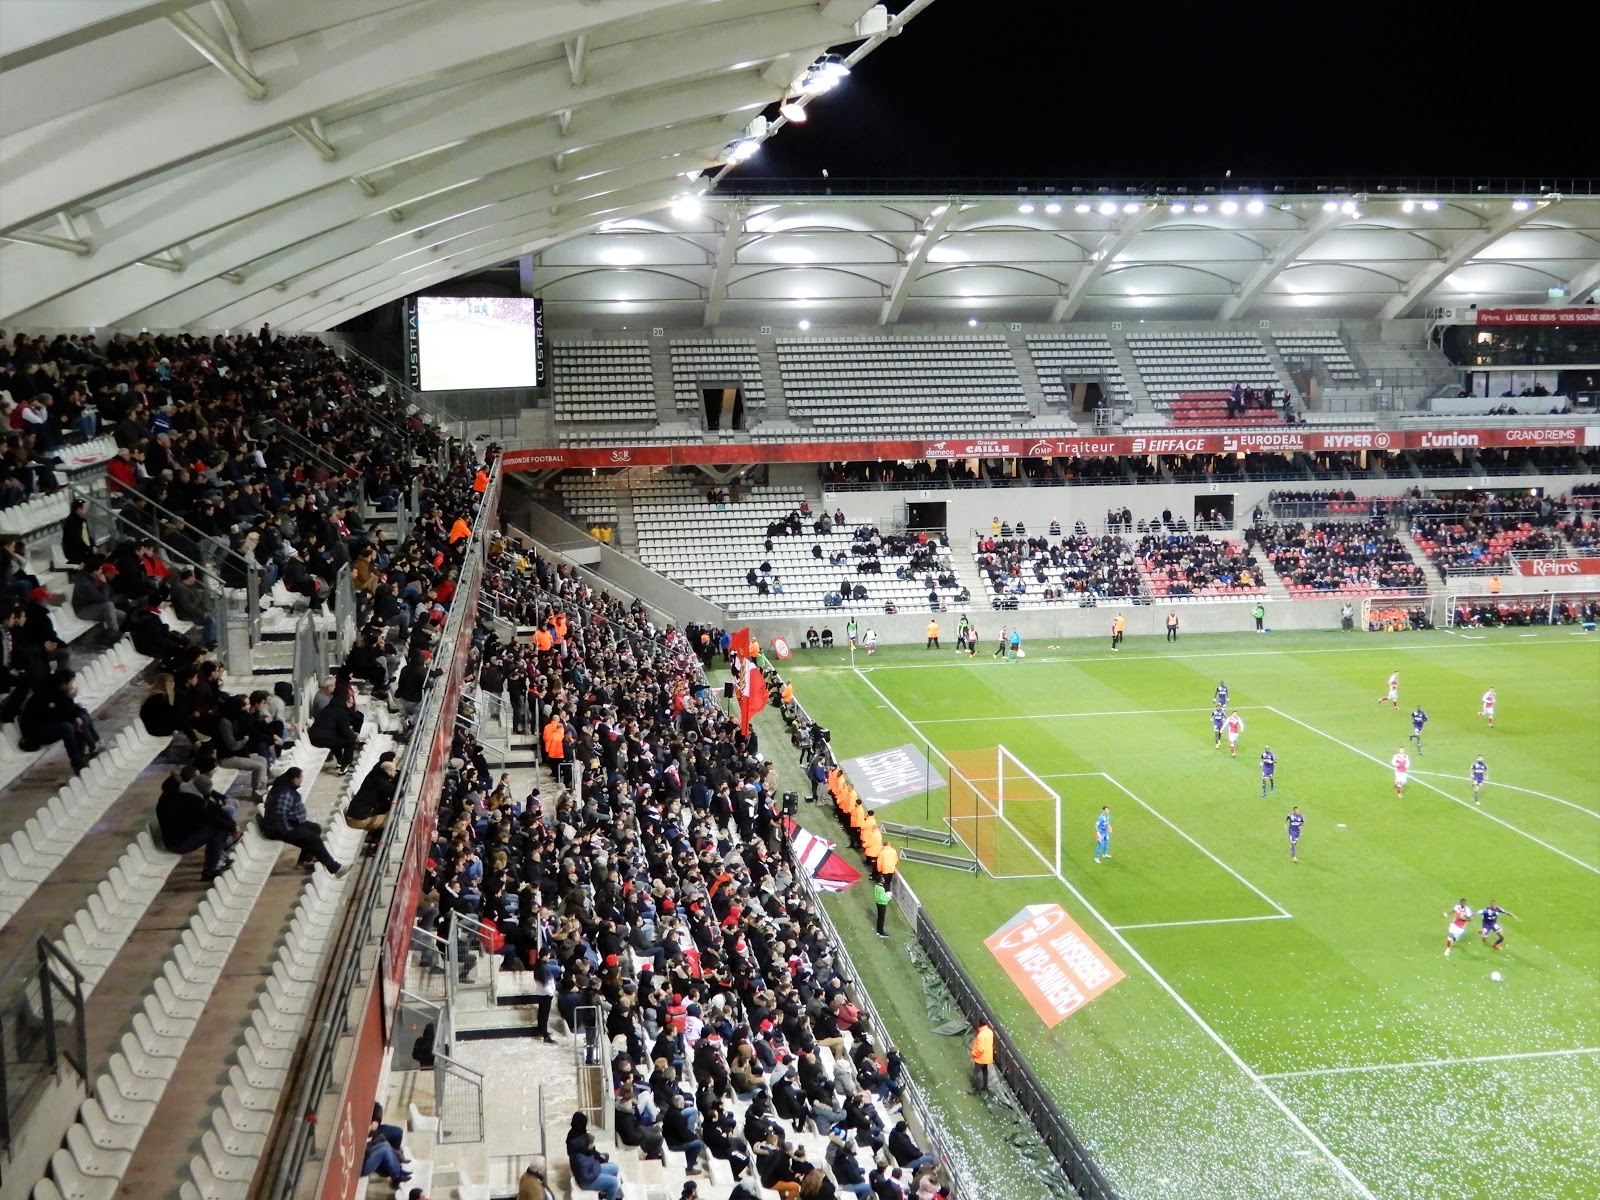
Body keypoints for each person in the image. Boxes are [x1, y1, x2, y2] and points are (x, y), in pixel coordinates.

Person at [156, 768, 240, 881]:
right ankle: (211, 869)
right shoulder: (192, 801)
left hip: (176, 833)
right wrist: (232, 827)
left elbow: (213, 808)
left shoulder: (183, 791)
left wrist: (232, 826)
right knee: (217, 828)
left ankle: (219, 855)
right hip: (176, 842)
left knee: (220, 824)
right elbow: (209, 816)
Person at [261, 767, 347, 876]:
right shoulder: (285, 793)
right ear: (294, 779)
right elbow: (279, 815)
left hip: (289, 822)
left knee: (315, 828)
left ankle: (304, 861)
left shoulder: (285, 787)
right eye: (301, 778)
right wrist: (289, 831)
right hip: (278, 829)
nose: (302, 780)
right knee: (313, 839)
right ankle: (335, 868)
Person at [19, 669, 101, 772]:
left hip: (50, 725)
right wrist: (69, 700)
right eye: (69, 682)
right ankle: (77, 762)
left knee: (81, 715)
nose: (71, 685)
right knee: (67, 727)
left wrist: (75, 712)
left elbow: (71, 711)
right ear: (62, 684)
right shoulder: (44, 696)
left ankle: (86, 751)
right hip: (36, 733)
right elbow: (55, 717)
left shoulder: (59, 693)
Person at [346, 751, 399, 830]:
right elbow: (398, 792)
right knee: (393, 818)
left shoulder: (378, 769)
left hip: (356, 814)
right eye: (394, 760)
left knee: (388, 807)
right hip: (358, 820)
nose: (396, 762)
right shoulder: (380, 781)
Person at [663, 1093, 705, 1175]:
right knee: (699, 1144)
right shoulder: (677, 1117)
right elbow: (684, 1136)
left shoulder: (670, 1111)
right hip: (674, 1144)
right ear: (678, 1104)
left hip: (671, 1139)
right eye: (682, 1103)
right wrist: (694, 1137)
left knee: (694, 1139)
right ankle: (689, 1168)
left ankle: (690, 1159)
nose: (684, 1104)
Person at [968, 1022, 993, 1093]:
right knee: (985, 1071)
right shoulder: (990, 1032)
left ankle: (977, 1089)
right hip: (988, 1056)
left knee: (977, 1072)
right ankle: (985, 1085)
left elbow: (980, 1049)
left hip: (981, 1058)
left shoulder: (981, 1035)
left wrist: (974, 1054)